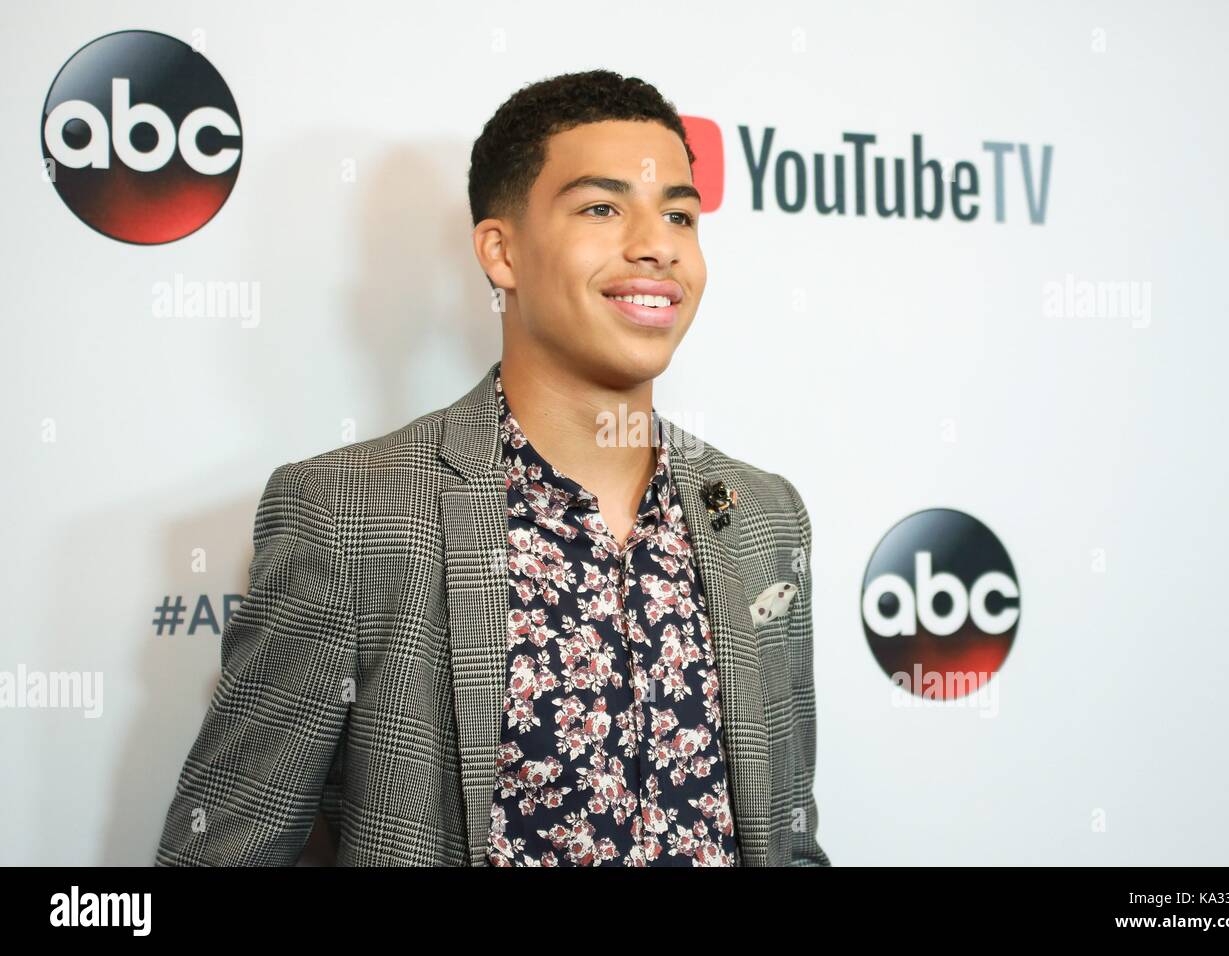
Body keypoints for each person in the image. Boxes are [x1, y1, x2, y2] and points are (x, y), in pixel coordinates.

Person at [155, 69, 830, 867]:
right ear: (500, 252)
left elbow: (789, 843)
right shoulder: (348, 514)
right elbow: (220, 853)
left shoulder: (760, 516)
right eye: (603, 207)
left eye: (680, 213)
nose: (656, 244)